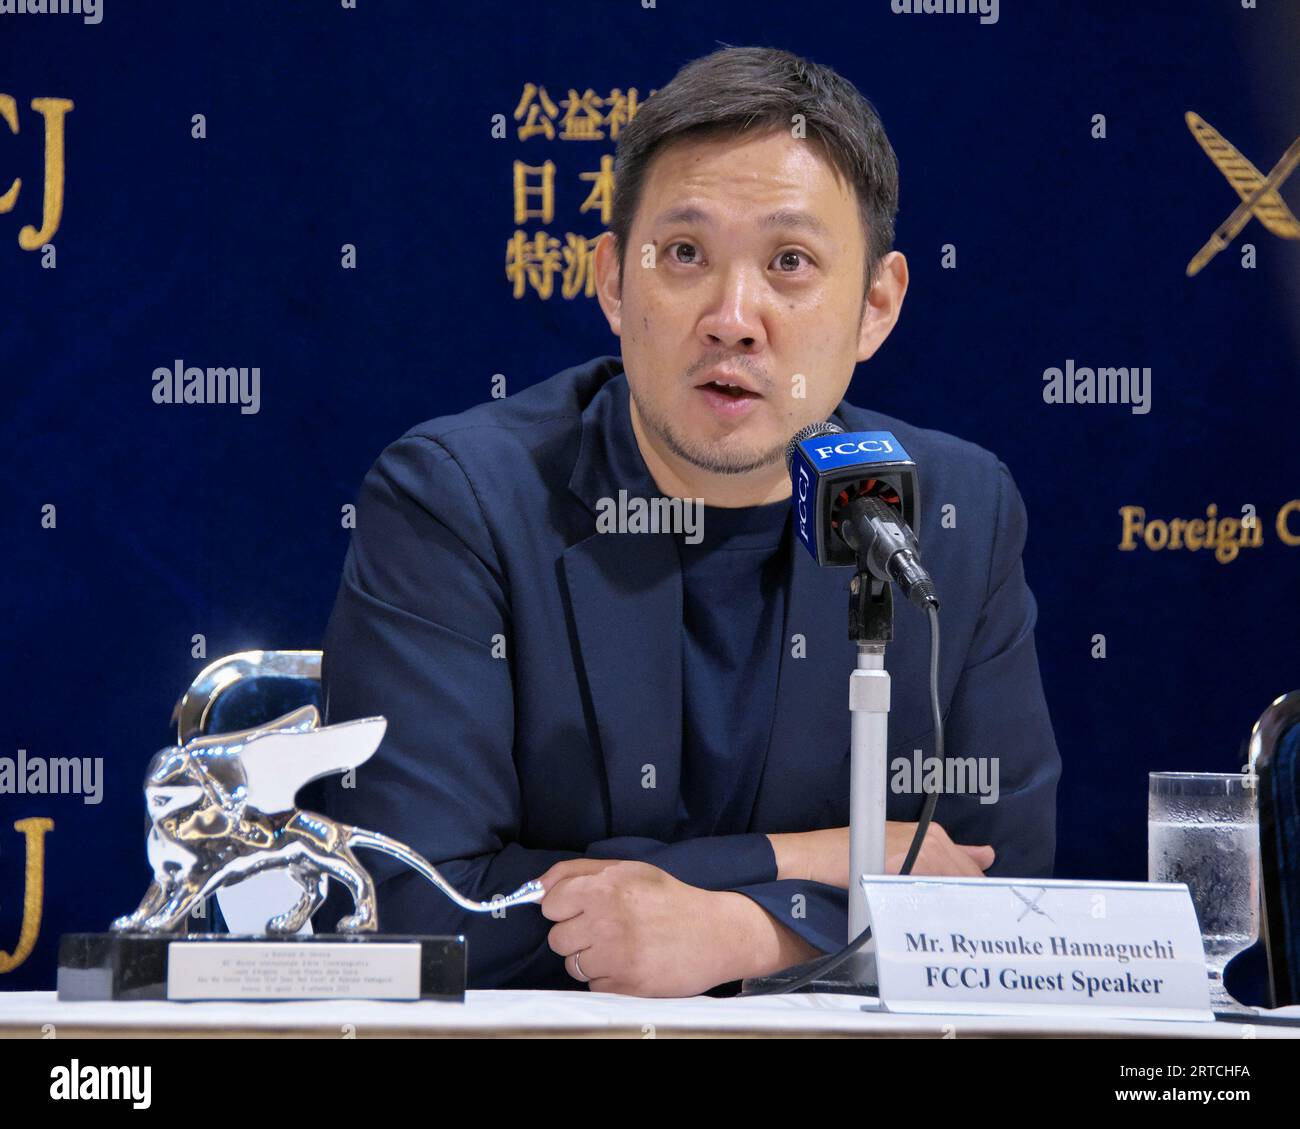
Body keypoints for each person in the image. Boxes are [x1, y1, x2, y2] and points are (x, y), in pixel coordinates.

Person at [306, 45, 1061, 996]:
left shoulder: (955, 509)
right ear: (616, 282)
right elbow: (415, 906)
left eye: (790, 262)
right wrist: (819, 860)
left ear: (876, 305)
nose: (732, 317)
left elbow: (1007, 898)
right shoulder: (460, 500)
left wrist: (744, 933)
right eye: (687, 255)